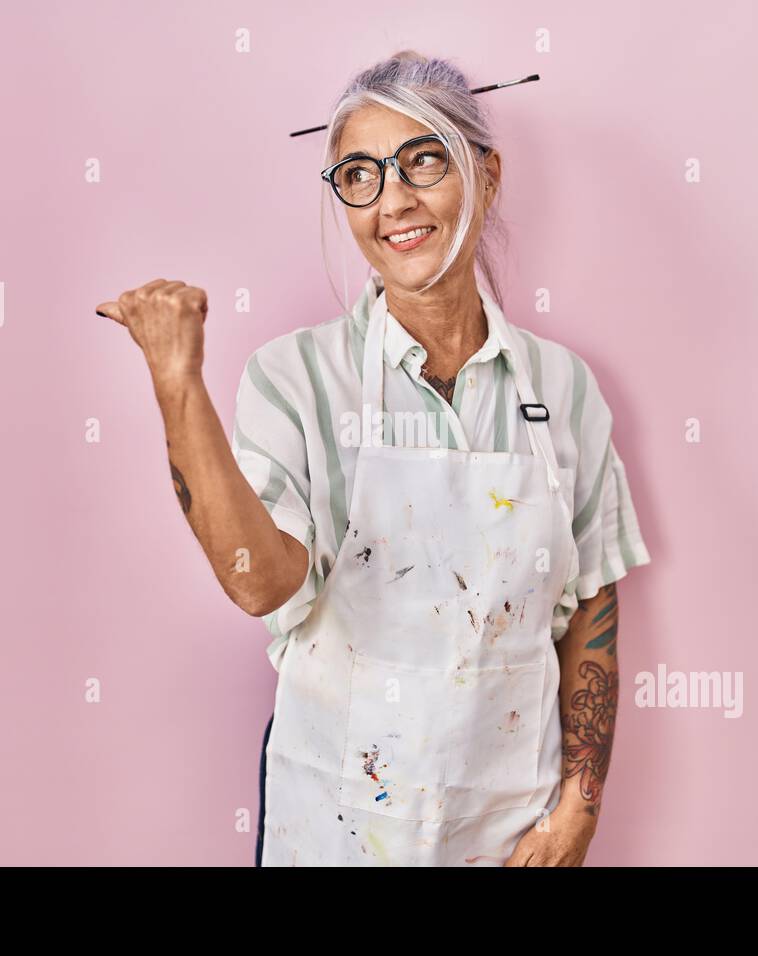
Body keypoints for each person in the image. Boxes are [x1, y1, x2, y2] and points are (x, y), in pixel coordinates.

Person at [95, 51, 650, 867]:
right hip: (336, 826)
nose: (394, 200)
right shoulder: (296, 380)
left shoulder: (563, 389)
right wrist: (179, 384)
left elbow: (592, 606)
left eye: (423, 160)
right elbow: (259, 580)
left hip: (510, 831)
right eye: (358, 174)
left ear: (486, 176)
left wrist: (580, 810)